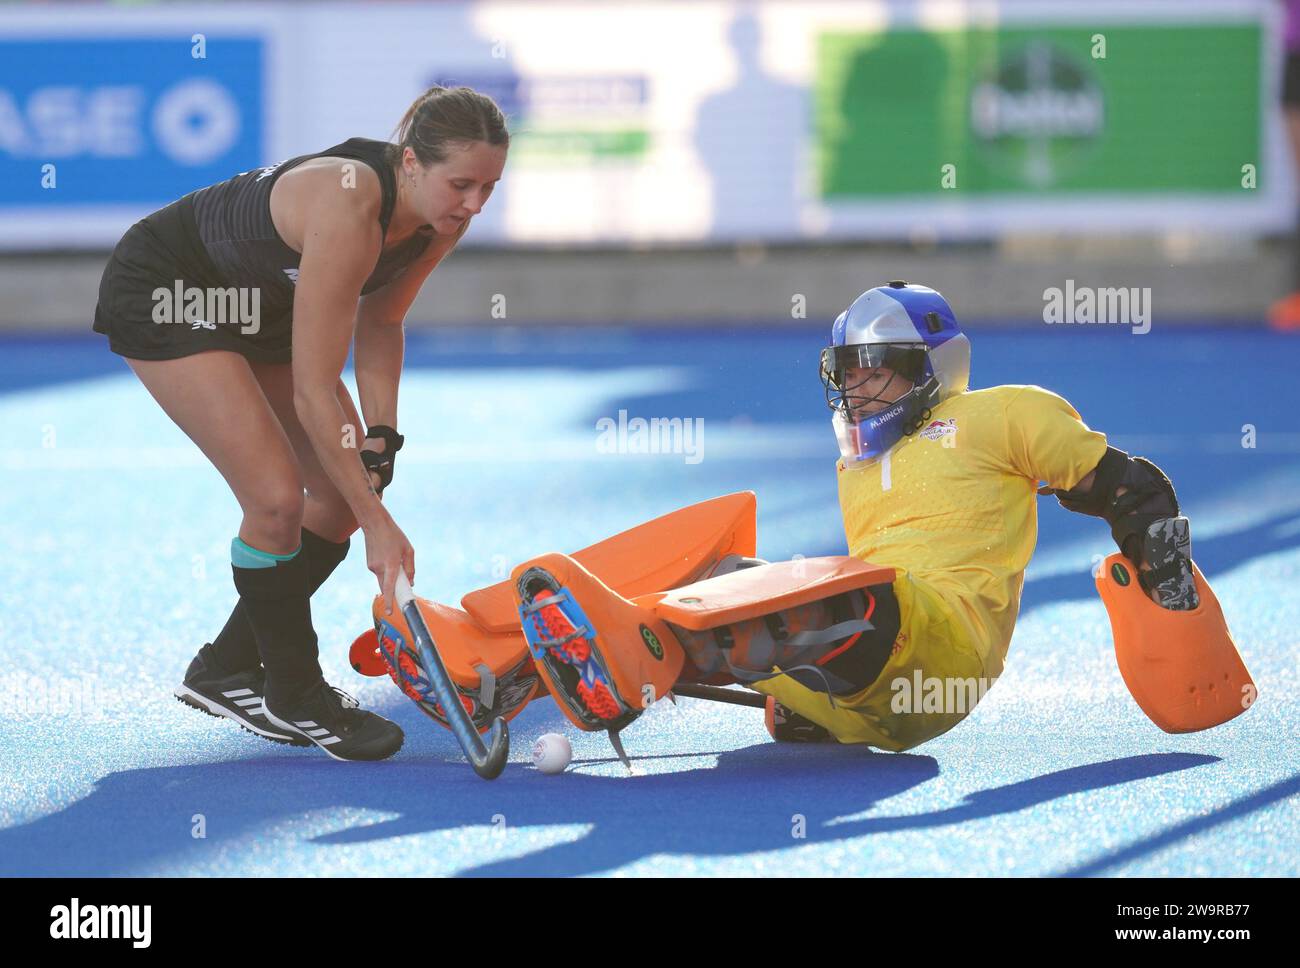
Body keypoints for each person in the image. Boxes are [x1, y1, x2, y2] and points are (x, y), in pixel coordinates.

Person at [504, 281, 1206, 752]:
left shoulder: (1001, 414)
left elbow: (1131, 489)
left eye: (877, 369)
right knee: (728, 577)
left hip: (946, 649)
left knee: (840, 586)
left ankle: (634, 653)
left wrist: (1168, 585)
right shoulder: (856, 463)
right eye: (848, 371)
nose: (858, 388)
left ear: (934, 365)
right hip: (863, 691)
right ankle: (505, 671)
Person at [92, 86, 509, 760]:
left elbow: (383, 320)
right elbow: (316, 391)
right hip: (169, 289)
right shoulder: (348, 210)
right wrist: (380, 521)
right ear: (409, 163)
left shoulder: (442, 218)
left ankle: (225, 670)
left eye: (489, 186)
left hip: (261, 307)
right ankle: (294, 690)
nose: (474, 204)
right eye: (461, 183)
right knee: (277, 499)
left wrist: (383, 433)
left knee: (341, 502)